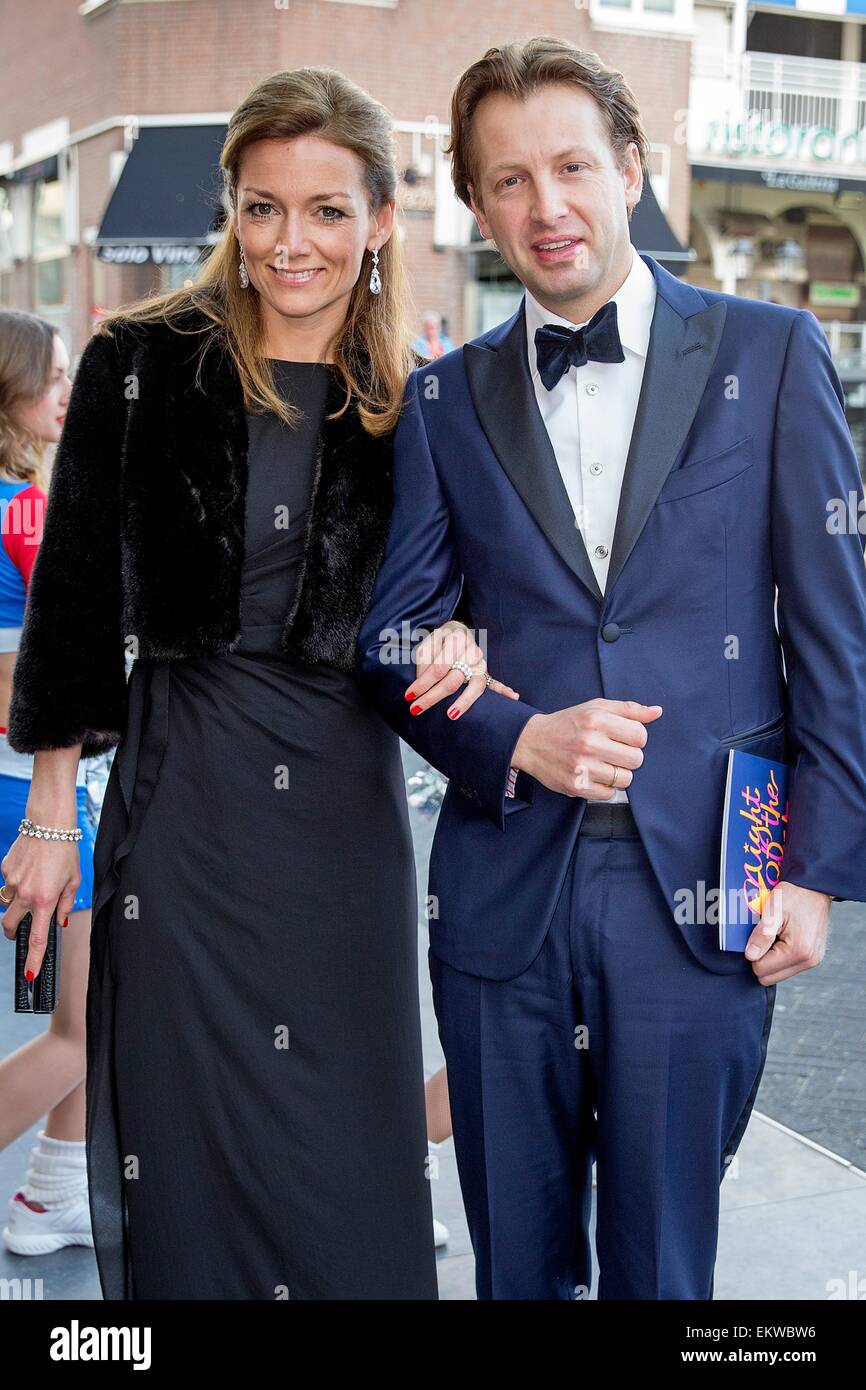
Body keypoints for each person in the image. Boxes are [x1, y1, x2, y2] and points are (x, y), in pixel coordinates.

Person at [358, 37, 866, 1300]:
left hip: (700, 893)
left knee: (663, 1271)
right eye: (509, 180)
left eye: (571, 166)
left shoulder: (773, 352)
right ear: (475, 204)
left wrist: (814, 873)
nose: (546, 206)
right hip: (499, 896)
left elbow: (836, 638)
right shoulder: (439, 398)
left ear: (629, 168)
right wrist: (511, 735)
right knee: (513, 1268)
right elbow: (389, 640)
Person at [0, 66, 502, 1301]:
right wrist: (54, 819)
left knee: (346, 1137)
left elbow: (473, 593)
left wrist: (467, 641)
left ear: (381, 220)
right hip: (182, 804)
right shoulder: (137, 361)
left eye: (328, 210)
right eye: (264, 206)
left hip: (344, 818)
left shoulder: (422, 401)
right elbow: (69, 605)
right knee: (183, 1137)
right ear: (231, 206)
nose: (293, 241)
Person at [0, 311, 97, 1256]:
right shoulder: (21, 516)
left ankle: (44, 1199)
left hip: (37, 796)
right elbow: (24, 674)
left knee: (85, 1013)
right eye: (53, 376)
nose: (66, 392)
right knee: (77, 1023)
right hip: (43, 804)